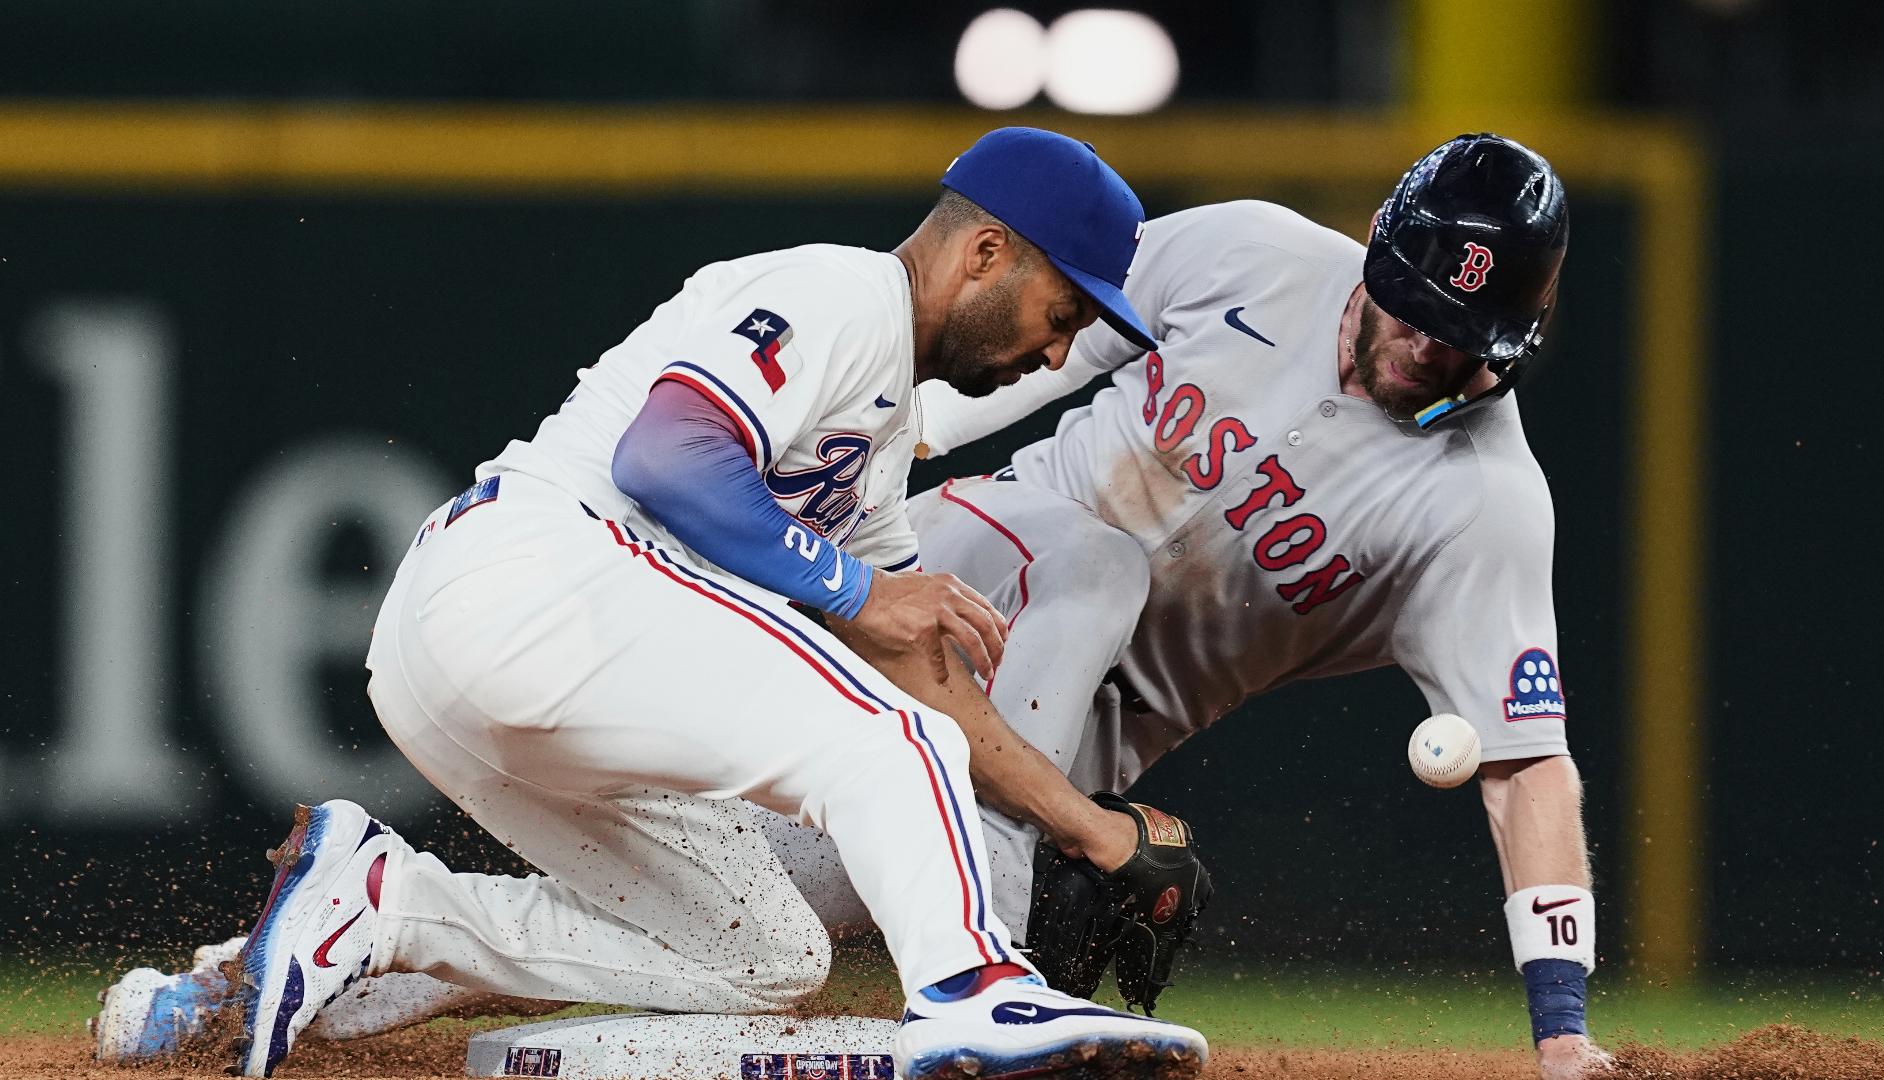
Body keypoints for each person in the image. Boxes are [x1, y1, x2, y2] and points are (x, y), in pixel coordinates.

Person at [181, 126, 1207, 1080]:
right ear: (986, 253)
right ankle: (978, 990)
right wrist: (852, 587)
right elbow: (667, 455)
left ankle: (363, 922)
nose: (1060, 353)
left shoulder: (881, 434)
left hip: (500, 654)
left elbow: (912, 665)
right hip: (536, 576)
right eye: (1062, 313)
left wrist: (1086, 827)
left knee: (759, 956)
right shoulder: (845, 295)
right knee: (888, 741)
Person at [868, 132, 1610, 1080]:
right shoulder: (1250, 250)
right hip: (967, 566)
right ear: (1379, 237)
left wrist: (1562, 1032)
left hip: (1073, 736)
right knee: (1098, 566)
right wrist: (898, 439)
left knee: (782, 925)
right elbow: (1046, 341)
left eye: (1461, 337)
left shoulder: (1483, 504)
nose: (1427, 344)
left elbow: (1526, 767)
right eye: (1415, 308)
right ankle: (996, 968)